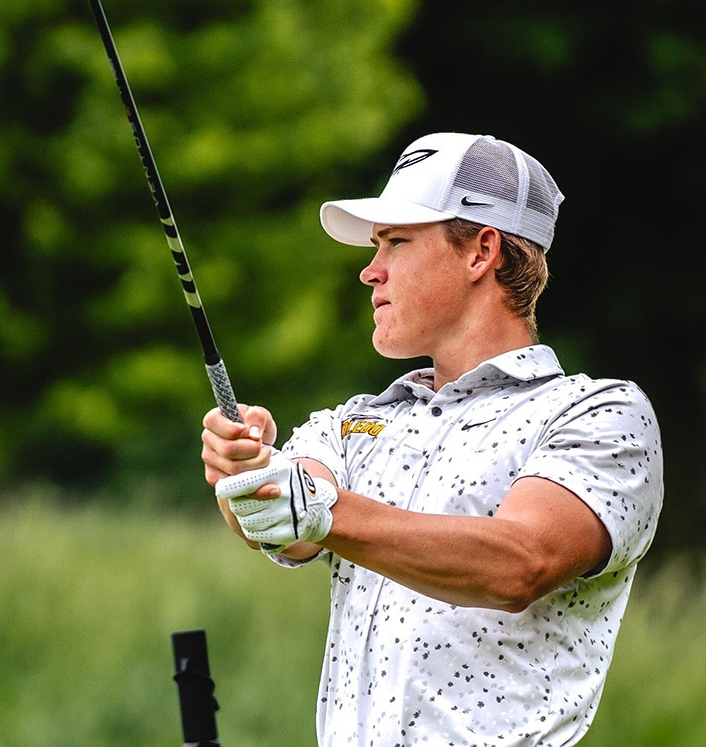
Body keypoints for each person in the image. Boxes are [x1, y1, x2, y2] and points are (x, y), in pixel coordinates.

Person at [201, 131, 665, 747]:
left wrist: (318, 508)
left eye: (396, 242)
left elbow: (520, 564)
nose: (370, 271)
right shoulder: (356, 422)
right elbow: (287, 522)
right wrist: (249, 472)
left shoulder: (597, 414)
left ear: (481, 253)